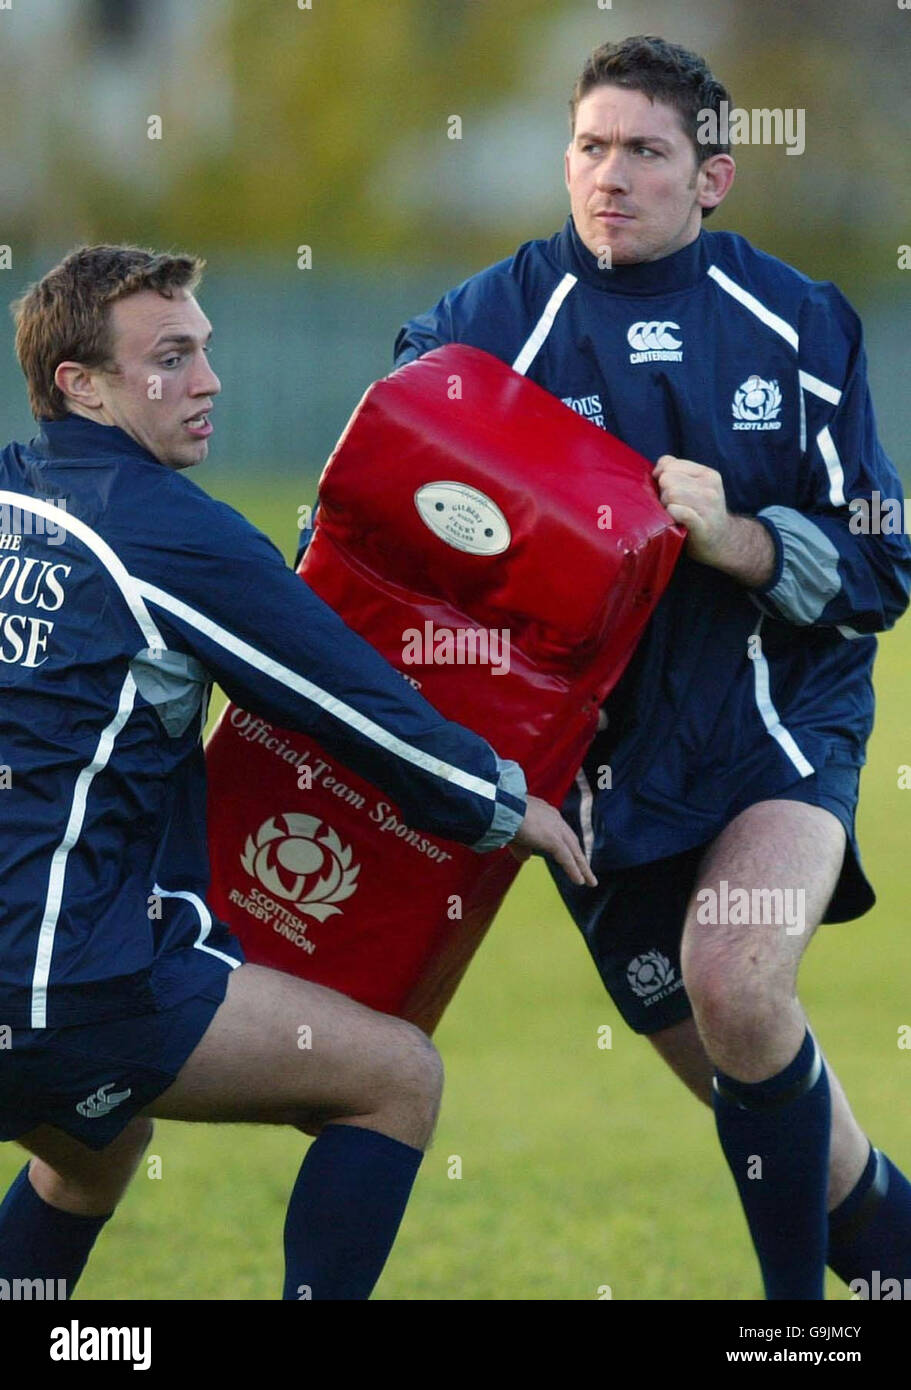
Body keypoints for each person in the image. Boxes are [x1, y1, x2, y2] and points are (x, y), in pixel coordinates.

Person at [392, 36, 911, 1300]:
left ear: (712, 176)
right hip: (590, 780)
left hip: (769, 723)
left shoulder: (794, 320)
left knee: (736, 984)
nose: (606, 176)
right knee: (791, 1131)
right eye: (587, 147)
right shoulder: (474, 335)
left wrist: (734, 538)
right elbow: (370, 550)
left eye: (642, 151)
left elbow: (881, 561)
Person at [0, 243, 594, 1302]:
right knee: (392, 1078)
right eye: (170, 358)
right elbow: (353, 706)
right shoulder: (173, 537)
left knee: (93, 1146)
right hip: (60, 988)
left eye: (206, 351)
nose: (209, 380)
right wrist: (503, 802)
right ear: (79, 387)